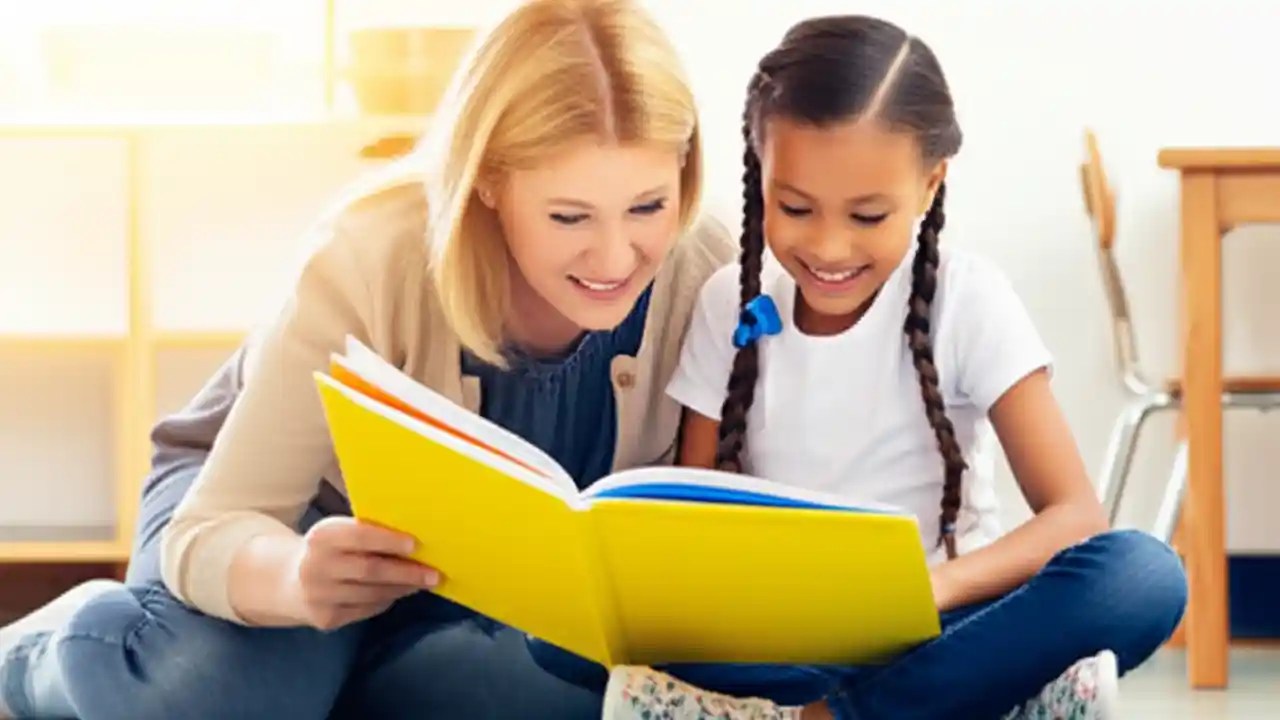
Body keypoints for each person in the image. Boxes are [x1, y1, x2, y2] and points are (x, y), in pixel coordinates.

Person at [0, 1, 735, 718]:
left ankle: (335, 681)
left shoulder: (707, 269)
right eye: (568, 216)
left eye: (647, 206)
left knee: (550, 696)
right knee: (195, 697)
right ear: (487, 181)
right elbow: (215, 524)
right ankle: (38, 659)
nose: (615, 257)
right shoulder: (373, 252)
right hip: (284, 530)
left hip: (476, 589)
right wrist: (298, 578)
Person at [598, 15, 1189, 720]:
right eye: (795, 207)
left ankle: (834, 716)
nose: (829, 245)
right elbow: (686, 512)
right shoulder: (729, 299)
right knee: (561, 643)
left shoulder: (968, 298)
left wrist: (927, 590)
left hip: (937, 629)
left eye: (869, 215)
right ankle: (967, 703)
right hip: (780, 641)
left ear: (931, 186)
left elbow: (1075, 516)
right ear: (760, 174)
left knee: (1144, 576)